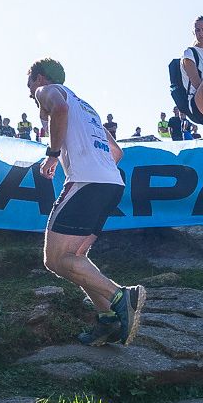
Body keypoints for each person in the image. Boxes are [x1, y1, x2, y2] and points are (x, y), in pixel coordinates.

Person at [26, 58, 143, 346]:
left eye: (28, 83)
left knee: (54, 260)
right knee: (75, 258)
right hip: (111, 184)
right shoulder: (87, 107)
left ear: (39, 78)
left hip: (85, 184)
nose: (29, 91)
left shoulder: (49, 91)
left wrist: (53, 155)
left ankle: (120, 296)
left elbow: (60, 109)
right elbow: (116, 152)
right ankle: (107, 321)